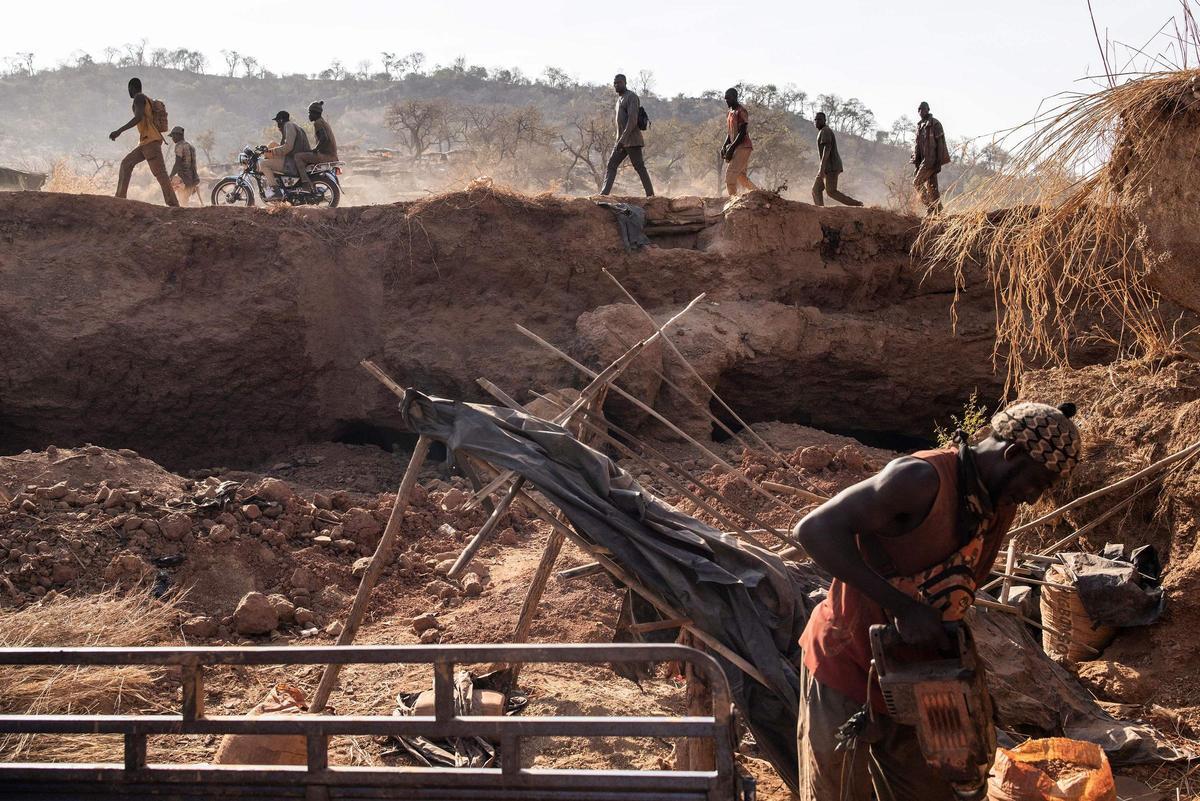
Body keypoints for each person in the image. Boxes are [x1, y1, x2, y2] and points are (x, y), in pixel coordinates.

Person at [794, 402, 1082, 801]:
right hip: (848, 662)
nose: (1032, 499)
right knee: (840, 792)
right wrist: (902, 607)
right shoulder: (920, 479)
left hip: (923, 677)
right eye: (1036, 483)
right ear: (1012, 454)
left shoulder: (997, 505)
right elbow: (813, 530)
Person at [110, 77, 179, 207]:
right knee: (126, 164)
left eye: (129, 89)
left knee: (161, 175)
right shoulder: (144, 99)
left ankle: (174, 206)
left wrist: (119, 131)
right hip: (145, 143)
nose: (128, 92)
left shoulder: (139, 98)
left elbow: (138, 117)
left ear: (132, 87)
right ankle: (119, 199)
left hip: (151, 142)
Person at [600, 74, 654, 197]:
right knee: (611, 165)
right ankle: (603, 194)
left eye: (618, 82)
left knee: (639, 167)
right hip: (621, 141)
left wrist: (623, 139)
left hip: (632, 140)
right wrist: (620, 140)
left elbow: (632, 120)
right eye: (614, 83)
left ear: (625, 83)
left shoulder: (631, 97)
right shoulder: (619, 100)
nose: (616, 85)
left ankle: (651, 196)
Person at [811, 112, 863, 207]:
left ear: (824, 121)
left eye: (819, 119)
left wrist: (822, 168)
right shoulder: (822, 131)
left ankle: (857, 204)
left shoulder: (825, 131)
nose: (817, 122)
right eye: (816, 120)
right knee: (818, 190)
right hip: (828, 167)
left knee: (829, 191)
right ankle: (820, 210)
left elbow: (827, 149)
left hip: (831, 167)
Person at [260, 110, 311, 200]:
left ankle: (276, 191)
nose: (277, 125)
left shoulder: (288, 125)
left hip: (292, 162)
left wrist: (272, 151)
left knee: (263, 164)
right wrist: (270, 150)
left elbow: (288, 147)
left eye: (277, 122)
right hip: (295, 159)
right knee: (272, 144)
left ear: (281, 121)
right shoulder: (293, 126)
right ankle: (276, 182)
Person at [912, 101, 950, 215]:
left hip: (931, 161)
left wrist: (939, 162)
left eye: (923, 109)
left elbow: (941, 144)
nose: (921, 111)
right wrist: (916, 162)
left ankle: (931, 206)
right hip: (923, 161)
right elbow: (917, 146)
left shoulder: (935, 124)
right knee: (932, 189)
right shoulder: (919, 126)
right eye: (919, 109)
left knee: (917, 183)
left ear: (928, 109)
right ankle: (938, 212)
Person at [293, 100, 338, 193]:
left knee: (298, 157)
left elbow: (324, 138)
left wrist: (315, 149)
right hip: (331, 155)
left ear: (315, 113)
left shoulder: (318, 123)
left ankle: (306, 183)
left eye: (310, 113)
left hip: (326, 156)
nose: (309, 115)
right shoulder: (323, 122)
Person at [721, 88, 757, 196]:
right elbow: (730, 132)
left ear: (735, 98)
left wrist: (731, 147)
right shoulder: (730, 113)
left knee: (730, 176)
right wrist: (724, 146)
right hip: (737, 147)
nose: (727, 101)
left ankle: (733, 200)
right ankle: (760, 194)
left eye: (729, 98)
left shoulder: (741, 111)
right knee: (741, 176)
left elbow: (742, 132)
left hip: (743, 147)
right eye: (725, 99)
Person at [168, 126, 203, 206]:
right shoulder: (191, 147)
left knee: (182, 202)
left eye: (173, 136)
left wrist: (171, 176)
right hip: (193, 178)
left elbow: (177, 163)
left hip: (184, 178)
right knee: (185, 201)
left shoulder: (179, 146)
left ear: (179, 135)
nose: (172, 138)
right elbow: (193, 165)